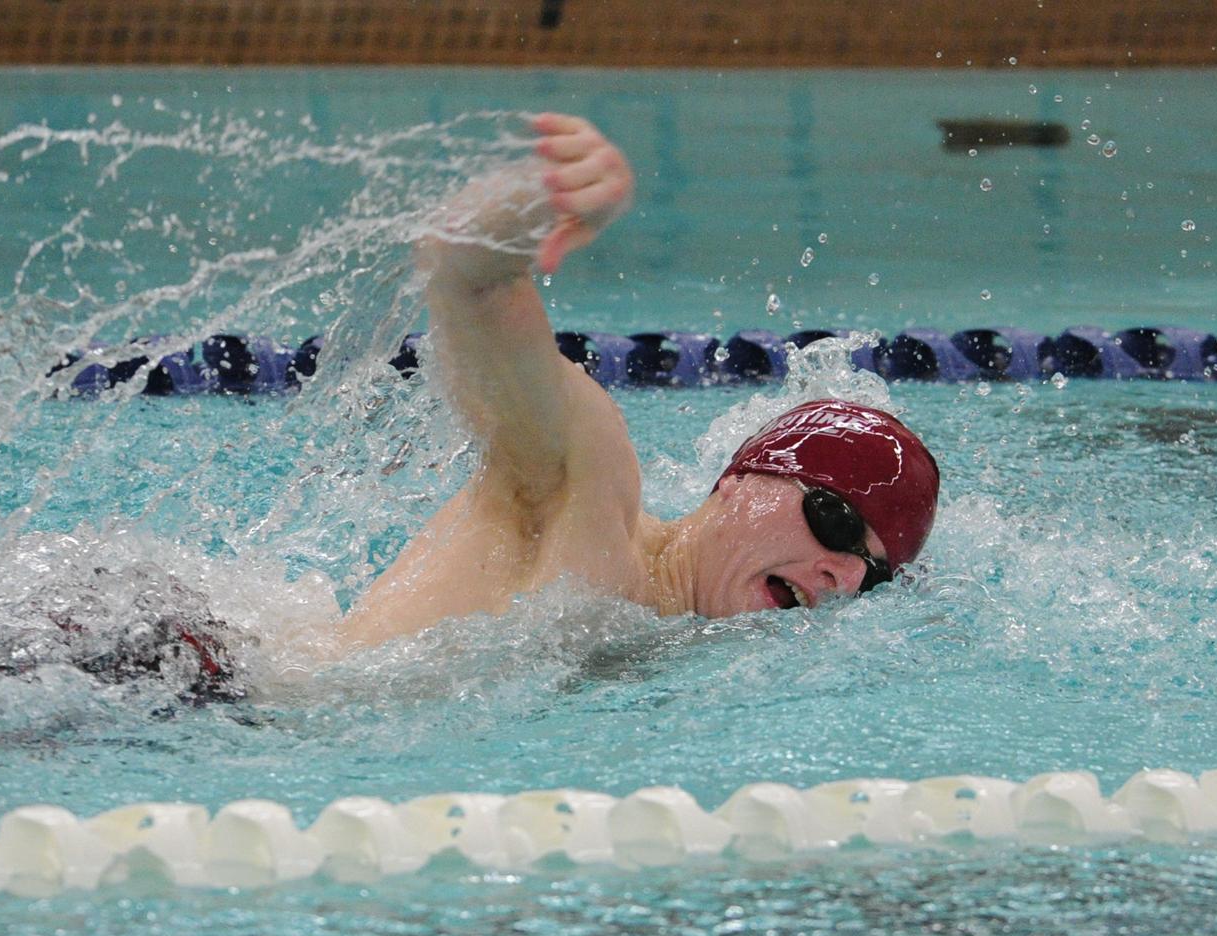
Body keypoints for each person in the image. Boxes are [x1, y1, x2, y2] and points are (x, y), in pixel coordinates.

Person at [337, 113, 939, 650]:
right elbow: (466, 276)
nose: (844, 578)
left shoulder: (669, 643)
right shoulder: (586, 490)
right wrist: (541, 198)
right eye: (836, 521)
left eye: (872, 575)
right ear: (740, 483)